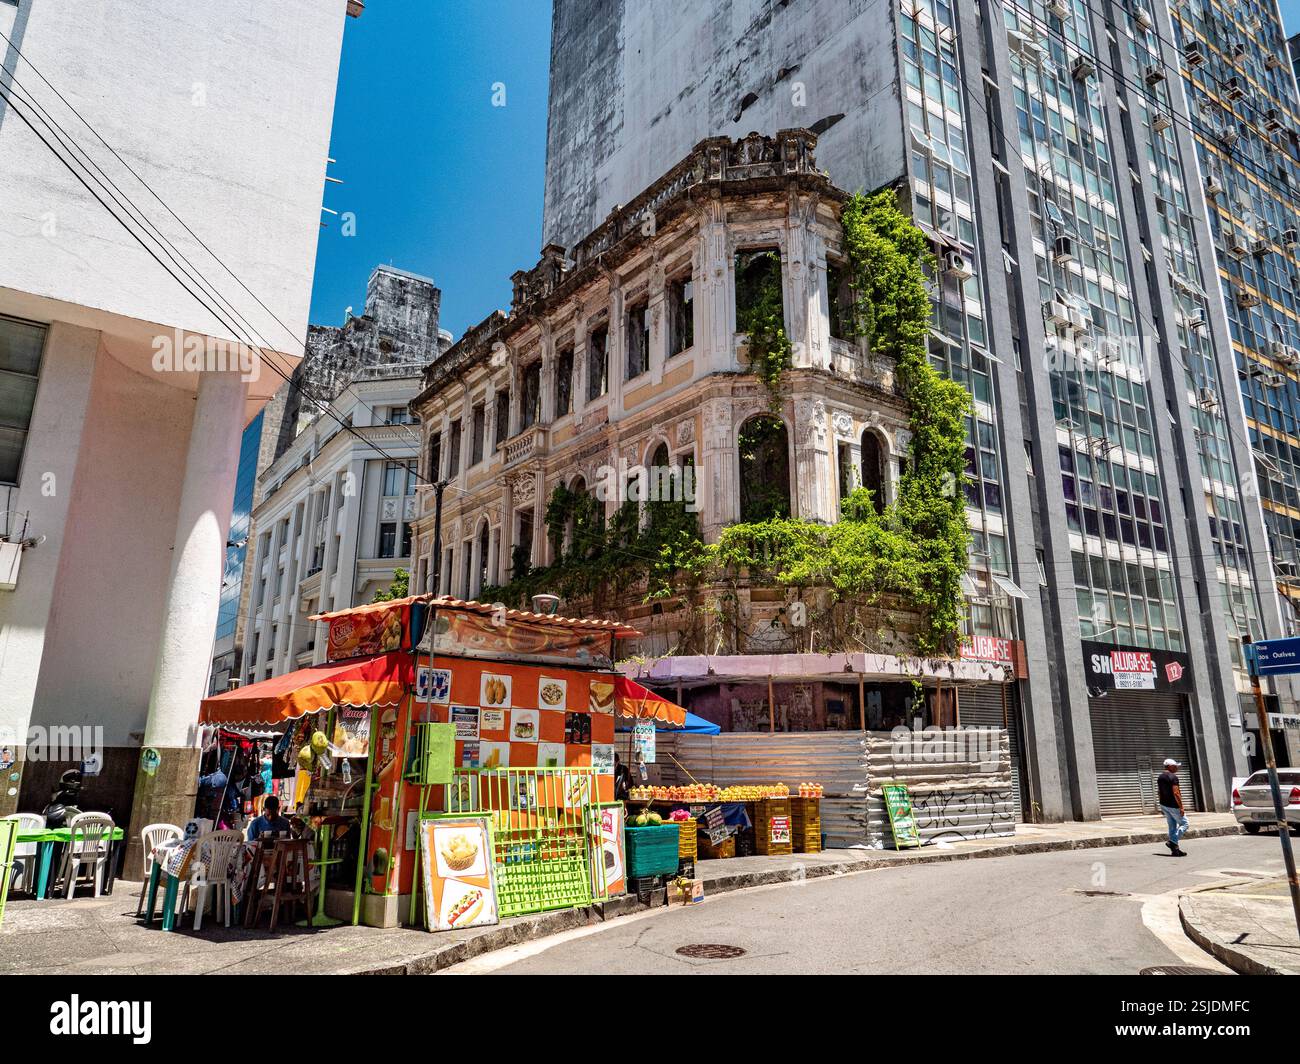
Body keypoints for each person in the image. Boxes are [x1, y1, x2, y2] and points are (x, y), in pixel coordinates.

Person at [1157, 758, 1188, 857]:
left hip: (1164, 804)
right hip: (1173, 805)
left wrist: (1161, 805)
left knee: (1172, 826)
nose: (1177, 768)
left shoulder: (1160, 777)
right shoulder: (1173, 777)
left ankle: (1175, 850)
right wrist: (1181, 807)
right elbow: (1176, 793)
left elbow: (1159, 792)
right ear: (1170, 766)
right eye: (1175, 766)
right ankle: (1172, 842)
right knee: (1185, 824)